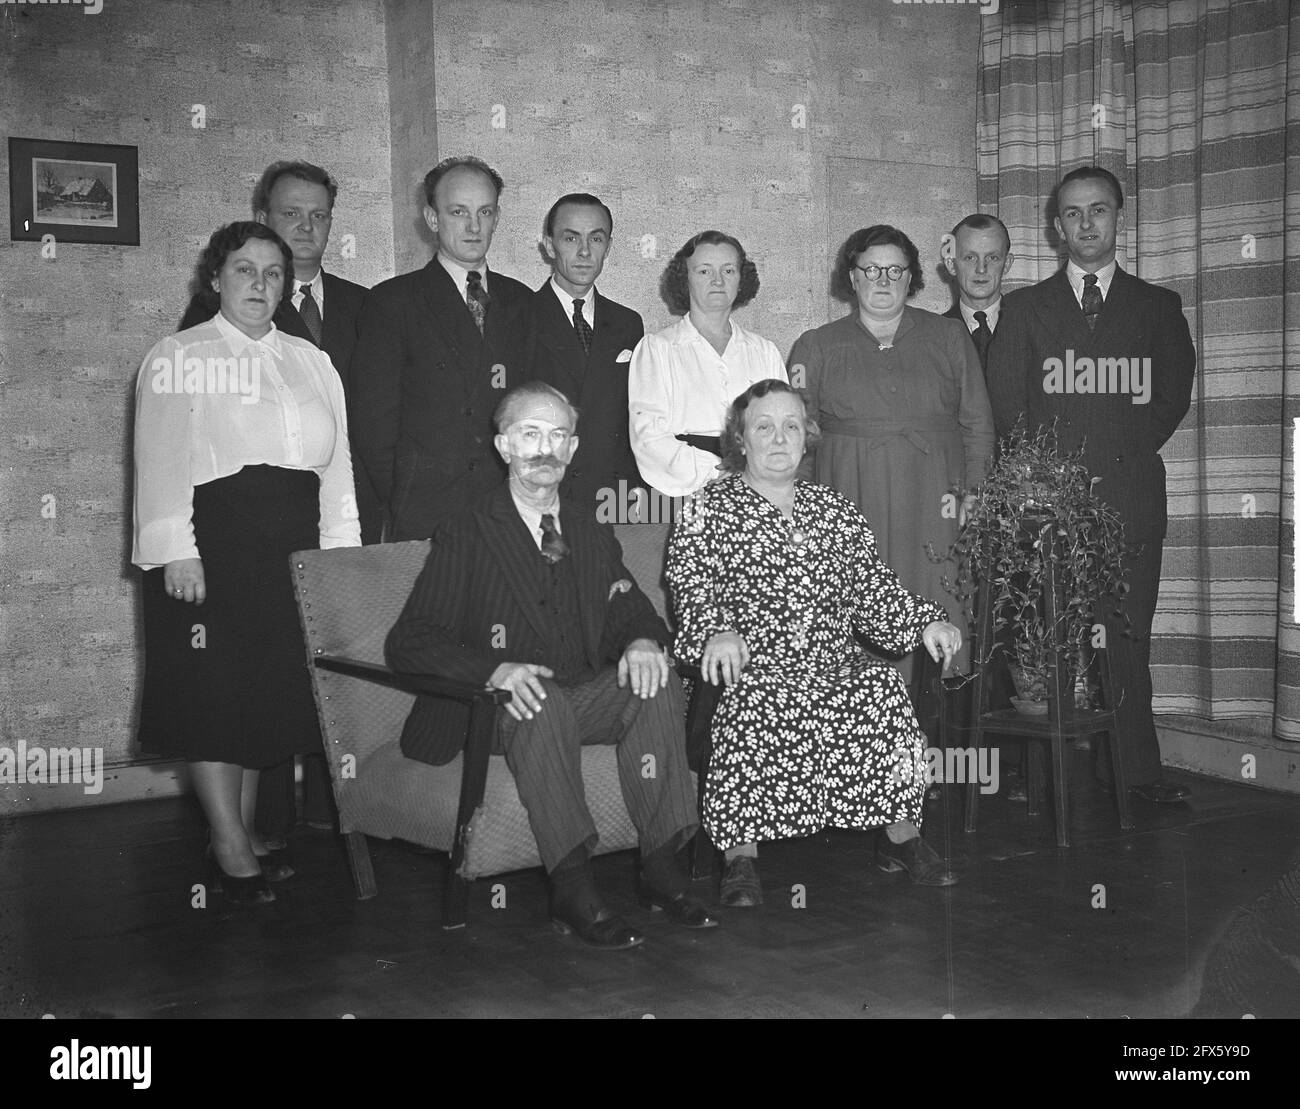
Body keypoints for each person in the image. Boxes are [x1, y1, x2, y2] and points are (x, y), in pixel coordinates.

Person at [386, 381, 714, 949]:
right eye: (530, 434)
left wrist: (639, 639)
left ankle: (661, 868)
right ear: (503, 446)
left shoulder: (586, 526)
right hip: (490, 707)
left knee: (656, 681)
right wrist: (495, 672)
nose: (546, 449)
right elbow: (411, 640)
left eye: (558, 436)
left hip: (576, 695)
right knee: (540, 700)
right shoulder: (468, 530)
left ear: (574, 447)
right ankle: (572, 887)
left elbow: (627, 602)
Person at [666, 380, 964, 906]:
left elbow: (872, 587)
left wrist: (924, 623)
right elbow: (689, 591)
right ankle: (739, 858)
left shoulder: (835, 510)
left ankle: (902, 837)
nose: (779, 438)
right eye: (764, 427)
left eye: (791, 426)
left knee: (879, 686)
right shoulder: (702, 510)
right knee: (750, 699)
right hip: (749, 669)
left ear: (807, 438)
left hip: (831, 663)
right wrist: (717, 631)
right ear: (741, 439)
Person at [133, 221, 361, 904]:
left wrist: (341, 550)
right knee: (213, 689)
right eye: (244, 270)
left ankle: (243, 828)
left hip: (289, 543)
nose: (259, 284)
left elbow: (338, 464)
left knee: (264, 690)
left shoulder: (311, 359)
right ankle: (228, 839)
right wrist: (177, 550)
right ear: (214, 279)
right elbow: (162, 459)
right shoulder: (180, 353)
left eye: (272, 272)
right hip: (214, 545)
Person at [986, 166, 1196, 805]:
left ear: (1118, 218)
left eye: (1098, 211)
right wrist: (1047, 482)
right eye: (1073, 214)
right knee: (1050, 640)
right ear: (1057, 226)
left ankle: (1135, 774)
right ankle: (1047, 783)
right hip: (1047, 507)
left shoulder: (1158, 306)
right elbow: (1007, 405)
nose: (1086, 224)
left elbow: (1170, 400)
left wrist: (1119, 454)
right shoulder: (1022, 309)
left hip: (1131, 499)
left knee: (1126, 638)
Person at [181, 160, 372, 844]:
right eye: (292, 213)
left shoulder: (360, 304)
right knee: (228, 682)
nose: (306, 226)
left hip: (311, 519)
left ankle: (305, 824)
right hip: (231, 530)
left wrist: (345, 532)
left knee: (284, 678)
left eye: (319, 214)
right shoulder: (216, 318)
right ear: (265, 216)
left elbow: (353, 431)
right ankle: (241, 835)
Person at [790, 225, 995, 679]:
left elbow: (978, 425)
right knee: (857, 612)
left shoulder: (950, 338)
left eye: (895, 270)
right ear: (852, 276)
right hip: (848, 496)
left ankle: (936, 728)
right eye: (871, 269)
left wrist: (974, 496)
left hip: (936, 499)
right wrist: (802, 513)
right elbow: (797, 441)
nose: (883, 280)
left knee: (939, 609)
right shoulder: (814, 346)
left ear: (911, 278)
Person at [350, 155, 534, 541]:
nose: (473, 225)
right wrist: (406, 498)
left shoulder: (522, 302)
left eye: (485, 212)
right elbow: (374, 426)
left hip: (508, 511)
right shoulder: (393, 302)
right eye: (457, 212)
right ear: (432, 219)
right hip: (427, 516)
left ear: (497, 218)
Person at [629, 230, 787, 498]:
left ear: (741, 280)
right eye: (704, 271)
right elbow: (648, 438)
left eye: (728, 271)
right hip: (684, 492)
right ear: (685, 279)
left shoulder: (764, 351)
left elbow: (783, 425)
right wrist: (718, 472)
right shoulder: (658, 349)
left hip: (758, 488)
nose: (717, 280)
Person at [533, 193, 646, 512]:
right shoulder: (522, 316)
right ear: (549, 244)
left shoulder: (628, 323)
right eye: (571, 238)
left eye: (596, 239)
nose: (584, 252)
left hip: (615, 499)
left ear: (608, 246)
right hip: (546, 495)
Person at [940, 213, 1015, 375]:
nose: (981, 269)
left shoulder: (1031, 327)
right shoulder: (934, 335)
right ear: (951, 265)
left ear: (1007, 264)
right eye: (970, 257)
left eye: (993, 257)